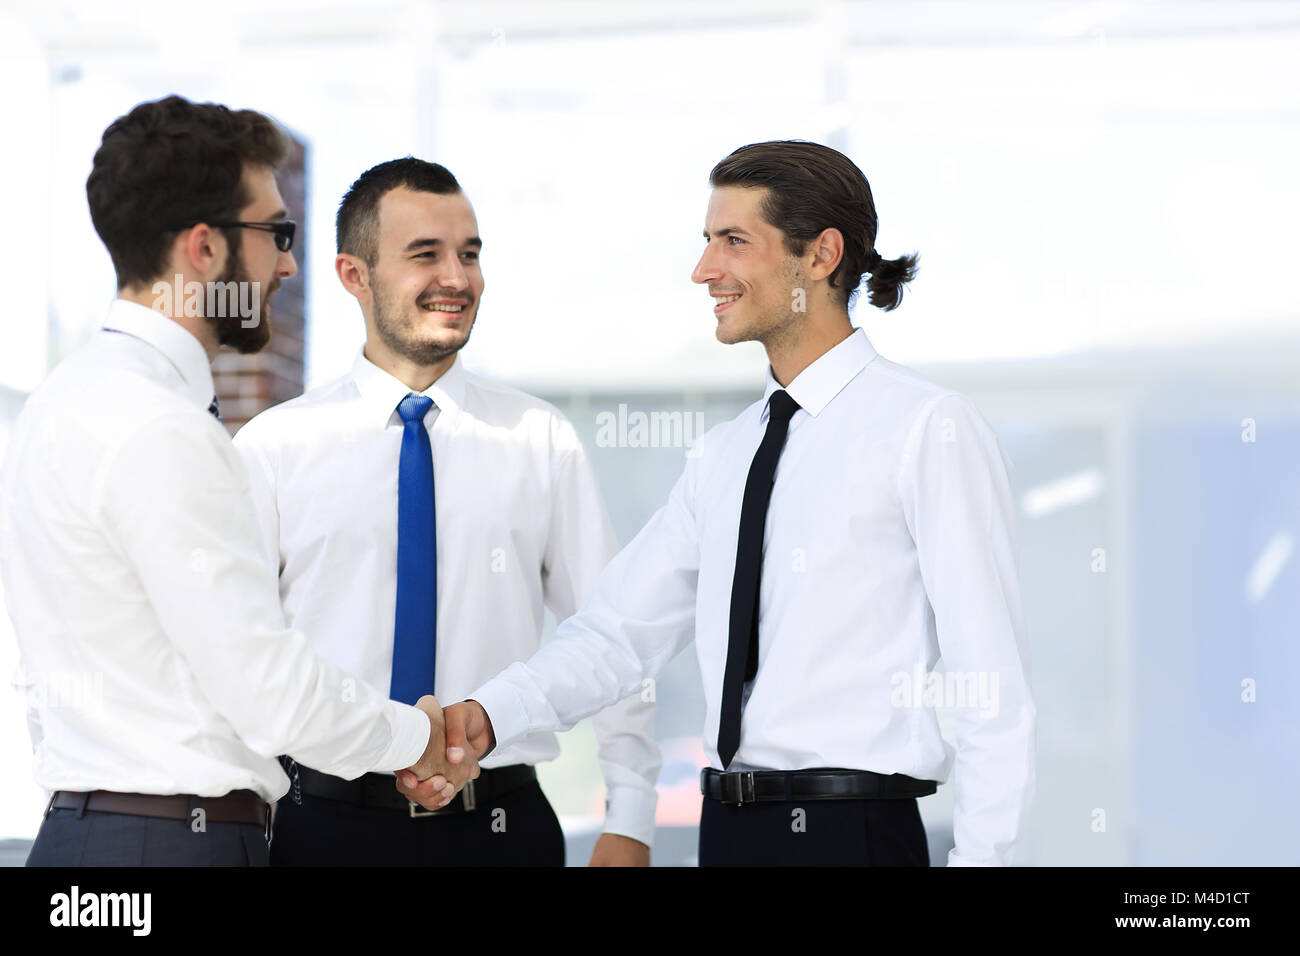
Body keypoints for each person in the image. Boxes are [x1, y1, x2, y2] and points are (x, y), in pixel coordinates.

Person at [404, 140, 1037, 867]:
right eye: (708, 242)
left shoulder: (928, 428)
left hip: (853, 837)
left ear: (821, 255)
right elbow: (616, 636)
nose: (706, 270)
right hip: (729, 834)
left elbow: (992, 688)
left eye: (734, 241)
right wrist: (485, 718)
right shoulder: (726, 456)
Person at [0, 96, 470, 868]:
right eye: (275, 235)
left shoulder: (64, 401)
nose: (288, 263)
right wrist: (419, 736)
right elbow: (269, 687)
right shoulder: (163, 427)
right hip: (173, 843)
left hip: (86, 838)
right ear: (203, 249)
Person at [233, 158, 660, 867]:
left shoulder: (537, 438)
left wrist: (633, 815)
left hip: (500, 829)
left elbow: (609, 634)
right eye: (424, 254)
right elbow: (241, 656)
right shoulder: (278, 447)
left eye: (469, 254)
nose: (457, 279)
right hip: (321, 830)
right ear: (354, 276)